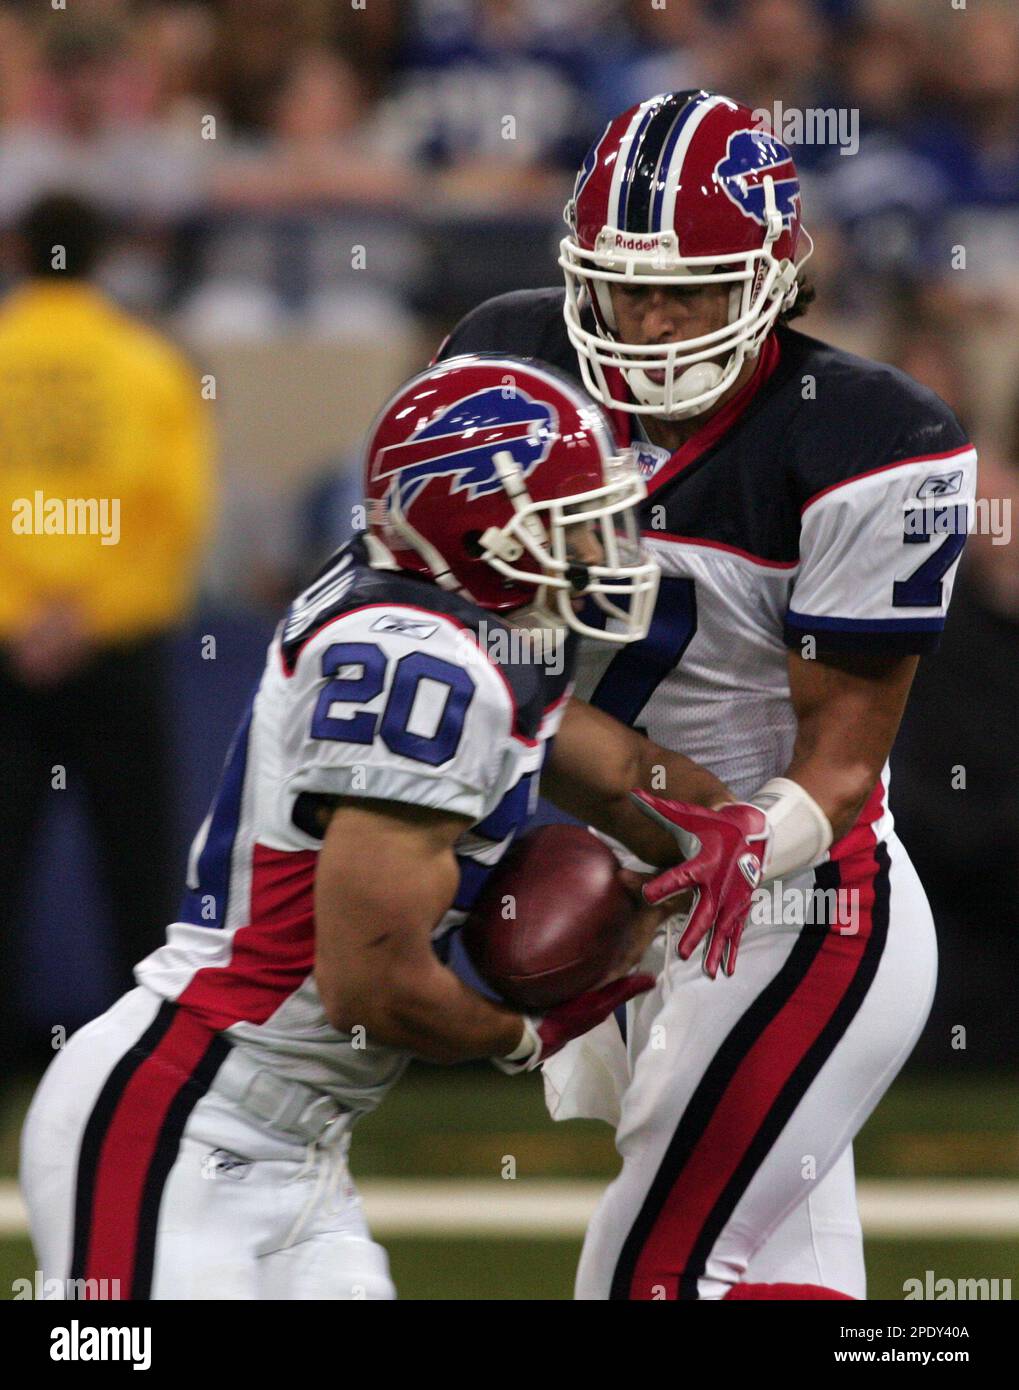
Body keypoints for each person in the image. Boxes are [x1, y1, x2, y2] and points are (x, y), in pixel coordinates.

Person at [20, 354, 755, 1301]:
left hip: (297, 1148)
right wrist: (526, 1036)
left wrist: (744, 839)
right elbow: (369, 985)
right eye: (566, 524)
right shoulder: (416, 664)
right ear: (474, 530)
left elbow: (612, 775)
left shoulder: (459, 623)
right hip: (179, 1122)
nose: (596, 550)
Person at [435, 90, 978, 1299]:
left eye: (692, 285)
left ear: (776, 277)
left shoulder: (868, 435)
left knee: (649, 1275)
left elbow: (840, 759)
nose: (652, 317)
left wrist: (722, 852)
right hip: (625, 865)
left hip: (793, 899)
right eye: (628, 283)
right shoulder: (506, 362)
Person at [0, 192, 214, 1085]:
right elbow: (176, 505)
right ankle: (147, 1057)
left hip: (7, 650)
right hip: (113, 643)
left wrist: (24, 613)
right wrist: (84, 607)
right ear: (104, 254)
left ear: (18, 249)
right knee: (136, 860)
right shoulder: (149, 363)